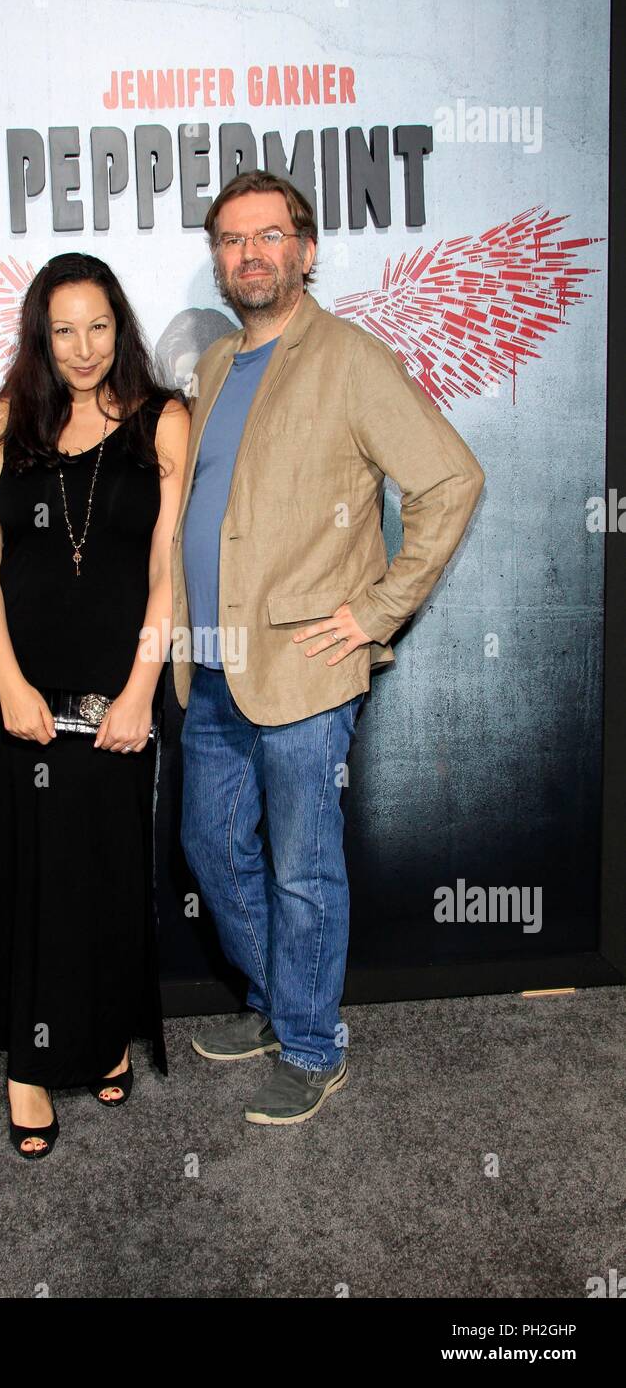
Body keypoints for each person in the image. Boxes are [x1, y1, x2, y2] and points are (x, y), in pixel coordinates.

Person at [171, 171, 485, 1125]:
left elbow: (452, 481)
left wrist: (377, 610)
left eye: (270, 236)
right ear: (219, 258)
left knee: (304, 869)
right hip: (215, 661)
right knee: (212, 848)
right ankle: (279, 1003)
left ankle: (312, 1045)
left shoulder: (349, 357)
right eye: (232, 239)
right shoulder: (221, 361)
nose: (251, 254)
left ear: (305, 250)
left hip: (307, 665)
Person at [0, 252, 189, 1158]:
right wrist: (9, 684)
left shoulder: (166, 422)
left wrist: (139, 690)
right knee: (31, 866)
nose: (83, 348)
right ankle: (27, 1064)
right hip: (17, 676)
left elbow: (166, 568)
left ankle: (99, 1035)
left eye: (98, 327)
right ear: (39, 335)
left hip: (119, 684)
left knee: (105, 861)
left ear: (119, 327)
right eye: (63, 330)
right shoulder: (4, 422)